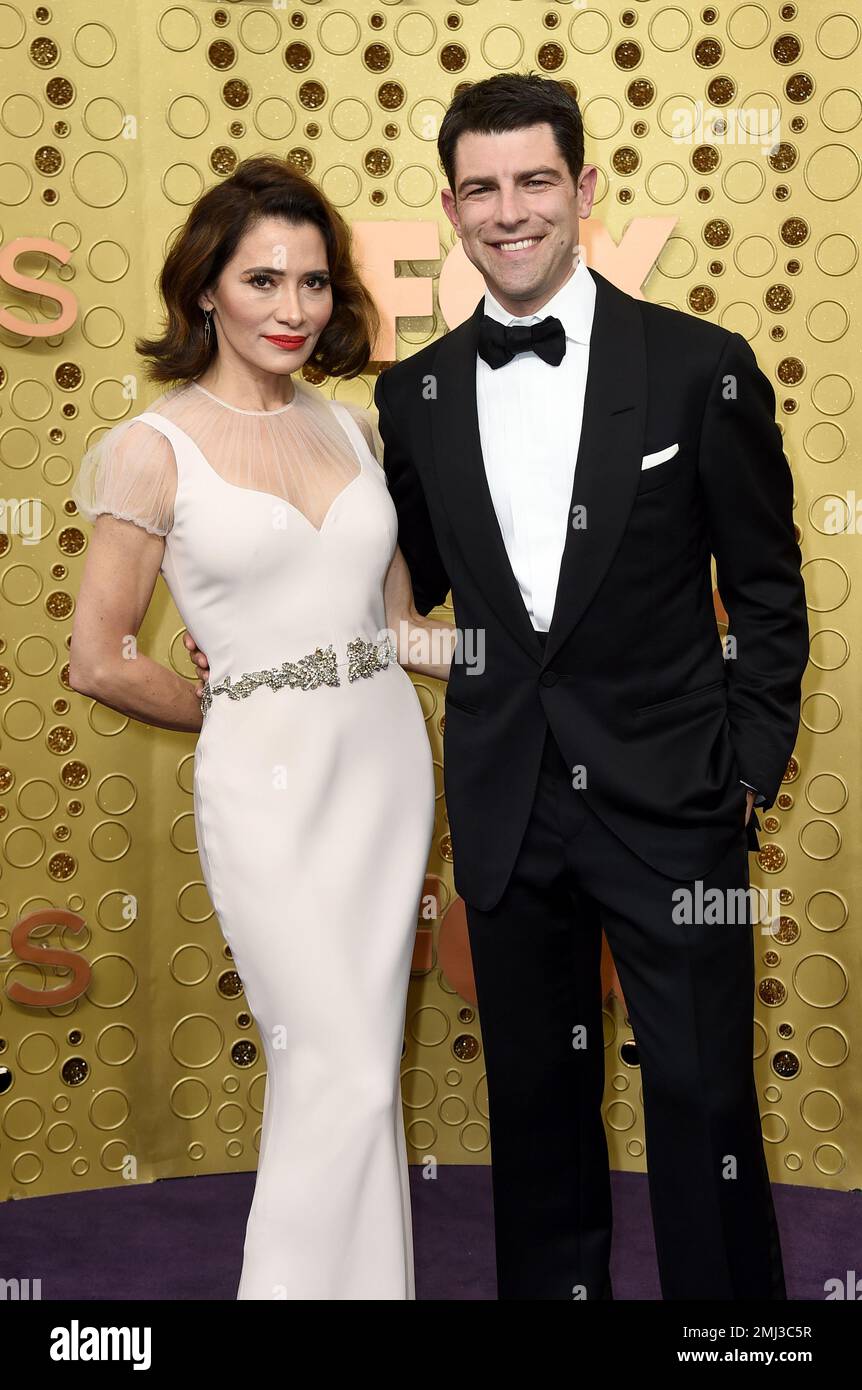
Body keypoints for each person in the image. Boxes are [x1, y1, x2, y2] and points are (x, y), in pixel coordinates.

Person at [371, 73, 808, 1299]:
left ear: (584, 191)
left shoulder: (698, 369)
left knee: (704, 1098)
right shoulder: (416, 395)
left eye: (534, 181)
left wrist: (744, 773)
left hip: (672, 798)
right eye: (481, 189)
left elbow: (768, 594)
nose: (509, 211)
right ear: (451, 208)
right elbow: (396, 575)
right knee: (539, 1112)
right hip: (511, 803)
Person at [69, 154, 455, 1299]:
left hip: (386, 768)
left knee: (360, 1071)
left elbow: (399, 631)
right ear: (206, 291)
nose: (293, 310)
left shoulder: (353, 432)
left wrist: (537, 647)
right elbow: (99, 656)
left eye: (316, 284)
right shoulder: (156, 447)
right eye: (263, 281)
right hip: (268, 786)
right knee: (331, 1061)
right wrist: (228, 703)